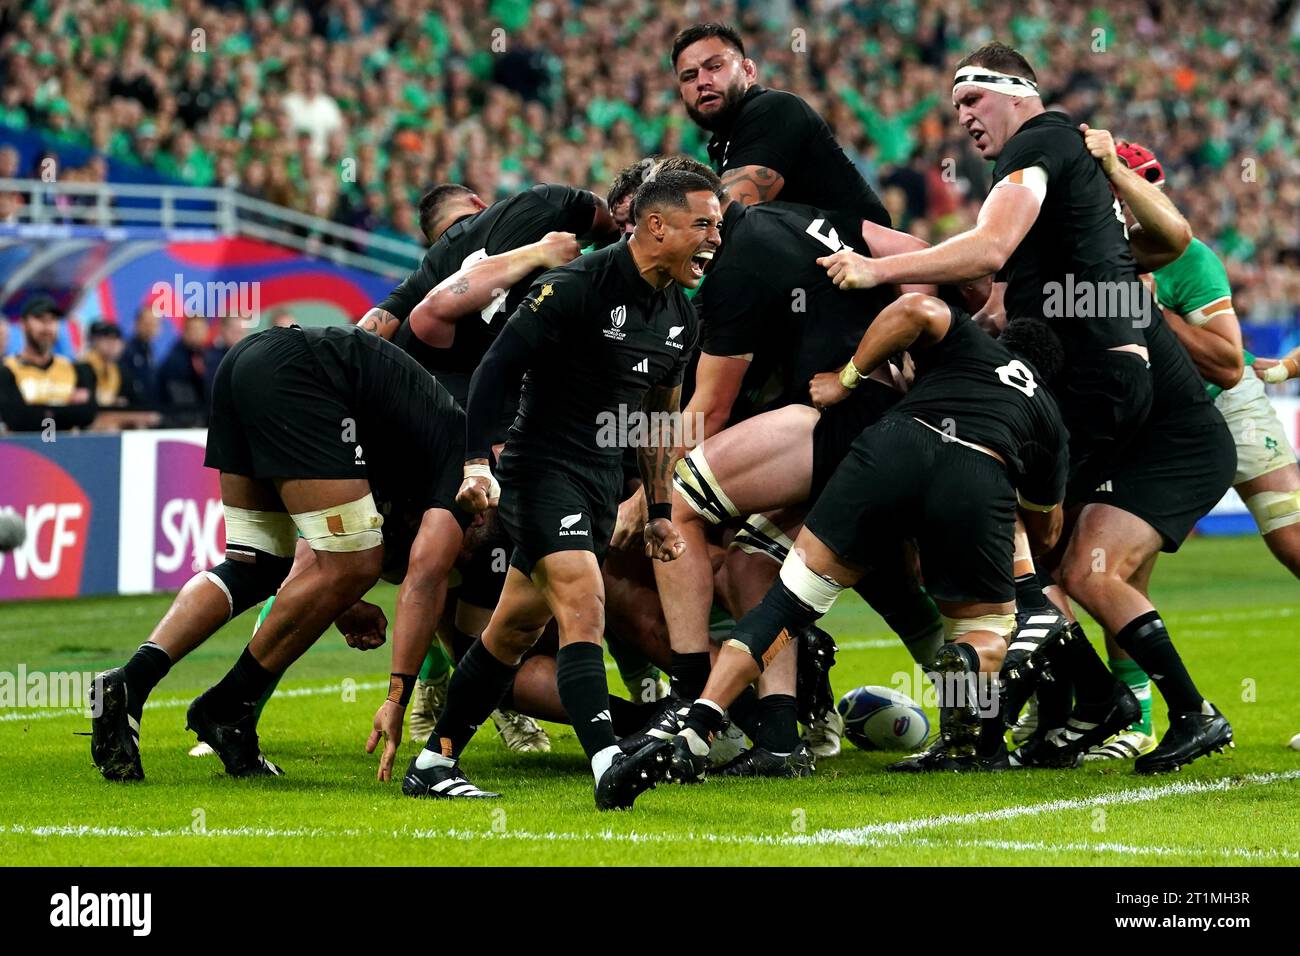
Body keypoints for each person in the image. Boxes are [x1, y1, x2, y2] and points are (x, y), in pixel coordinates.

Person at [819, 43, 1235, 774]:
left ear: (1015, 90)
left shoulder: (1039, 142)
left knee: (984, 521)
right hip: (1102, 377)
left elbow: (988, 249)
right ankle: (1095, 701)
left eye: (971, 101)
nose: (964, 120)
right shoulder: (1075, 166)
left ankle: (1040, 715)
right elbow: (1171, 240)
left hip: (1087, 380)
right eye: (955, 110)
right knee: (1045, 562)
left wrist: (875, 269)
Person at [633, 294, 1068, 781]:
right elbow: (1047, 523)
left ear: (1003, 342)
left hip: (887, 446)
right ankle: (976, 709)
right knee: (979, 626)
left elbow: (915, 309)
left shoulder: (970, 344)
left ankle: (700, 718)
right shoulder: (1048, 414)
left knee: (781, 598)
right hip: (975, 478)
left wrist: (845, 380)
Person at [400, 169, 717, 810]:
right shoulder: (575, 285)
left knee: (509, 634)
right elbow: (494, 371)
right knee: (584, 606)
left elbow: (656, 420)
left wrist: (658, 510)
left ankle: (433, 761)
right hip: (541, 468)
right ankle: (608, 763)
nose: (716, 239)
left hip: (600, 482)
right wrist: (474, 466)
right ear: (657, 226)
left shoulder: (680, 315)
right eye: (704, 225)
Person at [90, 325, 472, 781]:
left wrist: (343, 595)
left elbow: (320, 544)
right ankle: (228, 707)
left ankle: (131, 681)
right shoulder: (463, 461)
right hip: (297, 374)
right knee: (358, 560)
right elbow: (424, 577)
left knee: (254, 565)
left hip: (246, 362)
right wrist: (395, 697)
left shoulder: (408, 446)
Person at [670, 22, 889, 225]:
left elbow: (725, 219)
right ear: (681, 94)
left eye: (715, 66)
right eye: (689, 76)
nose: (702, 81)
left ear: (749, 71)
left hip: (861, 259)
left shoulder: (772, 108)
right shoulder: (724, 142)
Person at [0, 296, 96, 433]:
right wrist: (65, 409)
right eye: (40, 319)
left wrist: (43, 411)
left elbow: (87, 415)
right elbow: (17, 419)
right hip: (23, 451)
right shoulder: (6, 370)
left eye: (52, 320)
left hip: (68, 449)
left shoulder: (76, 369)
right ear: (23, 324)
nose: (47, 326)